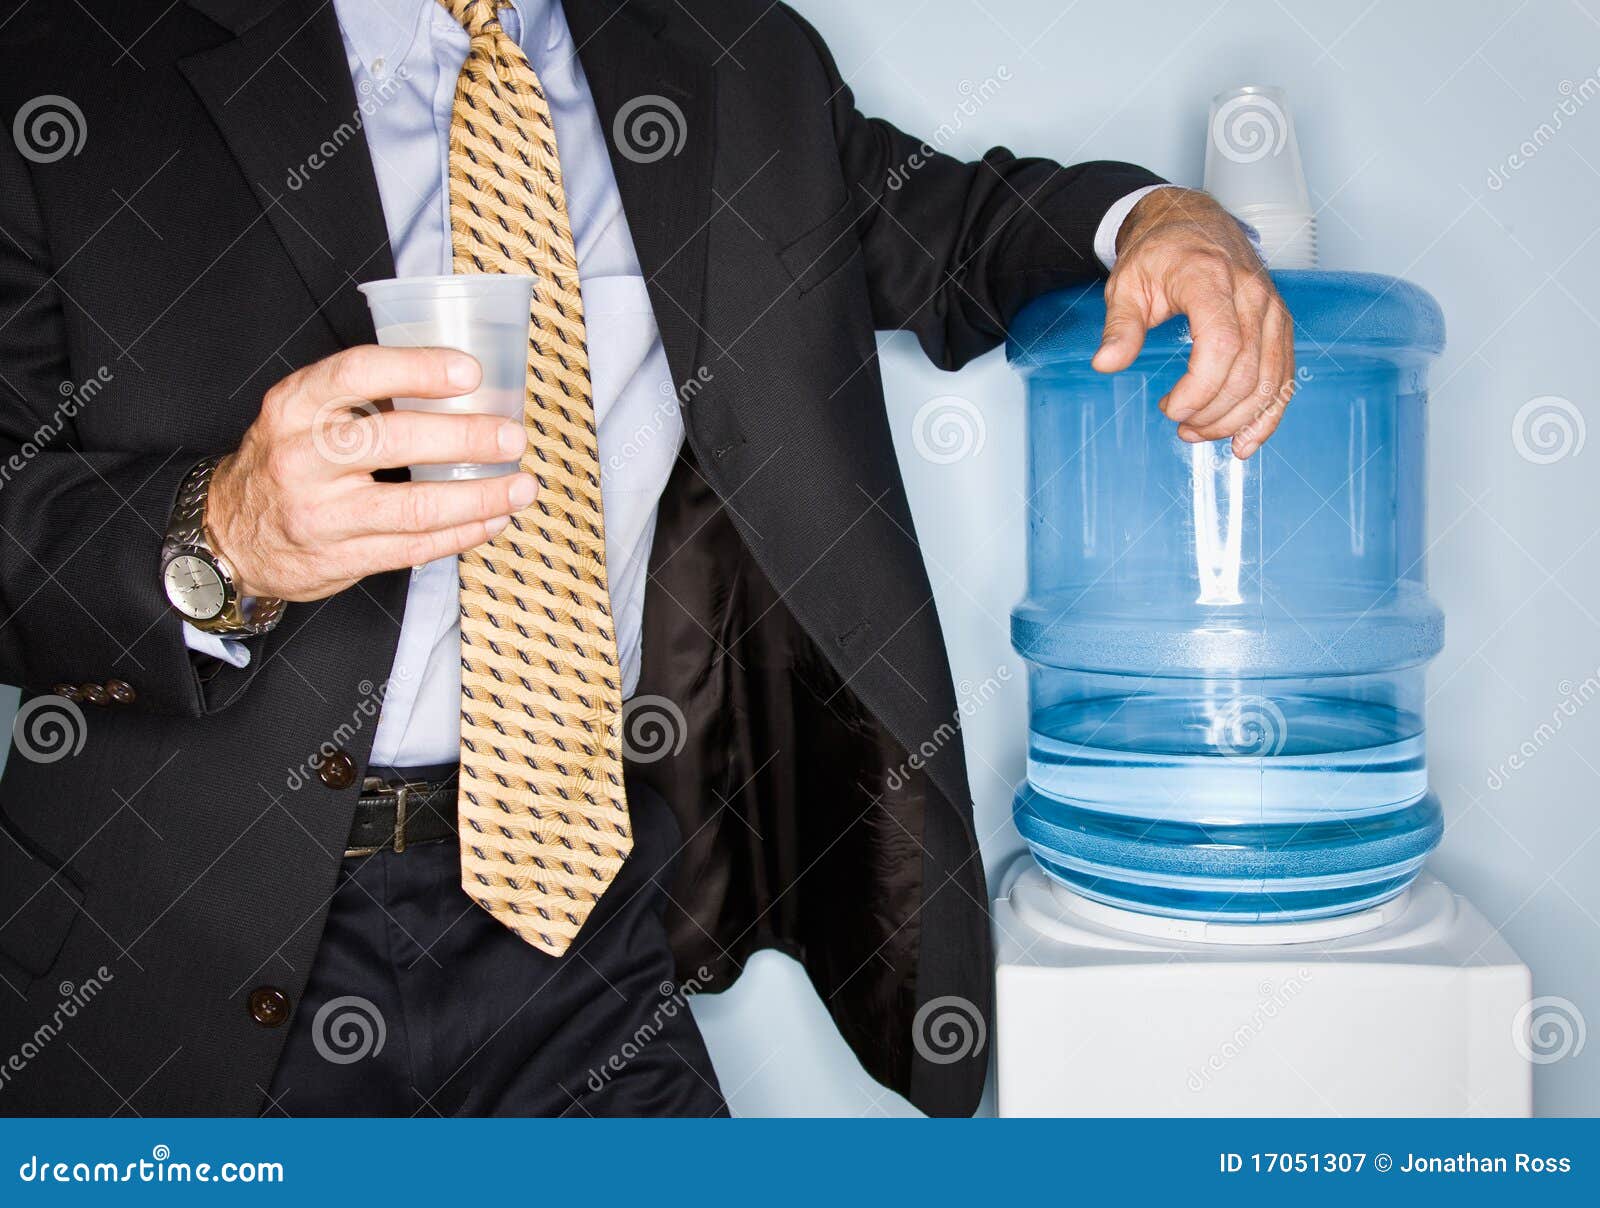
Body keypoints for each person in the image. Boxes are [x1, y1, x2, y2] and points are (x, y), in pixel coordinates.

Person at [0, 0, 1291, 1117]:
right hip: (180, 931)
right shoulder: (67, 68)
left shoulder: (729, 59)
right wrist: (224, 533)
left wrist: (1160, 220)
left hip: (573, 917)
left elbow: (957, 234)